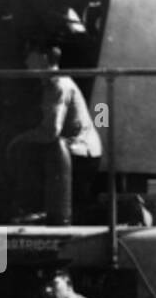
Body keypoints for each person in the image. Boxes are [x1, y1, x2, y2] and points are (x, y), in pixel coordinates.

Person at [7, 37, 103, 224]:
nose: (26, 61)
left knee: (35, 148)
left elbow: (51, 131)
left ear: (43, 57)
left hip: (80, 151)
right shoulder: (52, 84)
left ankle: (39, 211)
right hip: (77, 150)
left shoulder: (58, 84)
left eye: (30, 56)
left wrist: (18, 140)